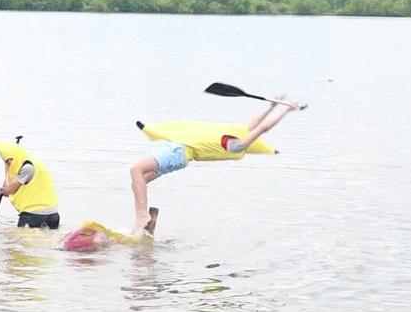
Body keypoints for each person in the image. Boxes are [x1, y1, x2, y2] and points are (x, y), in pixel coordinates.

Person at [126, 94, 298, 235]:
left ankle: (142, 216)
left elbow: (262, 128)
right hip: (181, 158)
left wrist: (286, 111)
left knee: (136, 170)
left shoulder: (237, 147)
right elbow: (254, 125)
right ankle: (141, 228)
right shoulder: (236, 137)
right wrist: (271, 106)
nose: (250, 133)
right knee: (140, 181)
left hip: (177, 152)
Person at [0, 138, 62, 229]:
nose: (9, 163)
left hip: (34, 216)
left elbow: (9, 191)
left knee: (20, 241)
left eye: (9, 161)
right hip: (53, 214)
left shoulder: (27, 168)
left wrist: (7, 171)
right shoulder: (34, 163)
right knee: (47, 240)